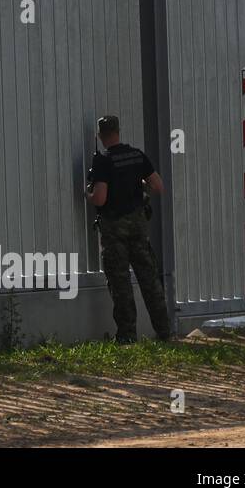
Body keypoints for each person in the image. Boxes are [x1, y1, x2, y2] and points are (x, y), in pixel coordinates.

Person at [84, 115, 173, 343]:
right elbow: (158, 185)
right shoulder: (136, 155)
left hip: (115, 231)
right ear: (119, 131)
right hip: (138, 228)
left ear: (101, 136)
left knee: (120, 283)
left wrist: (88, 194)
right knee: (149, 279)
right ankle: (164, 331)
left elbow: (101, 198)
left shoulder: (103, 161)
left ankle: (127, 336)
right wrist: (138, 186)